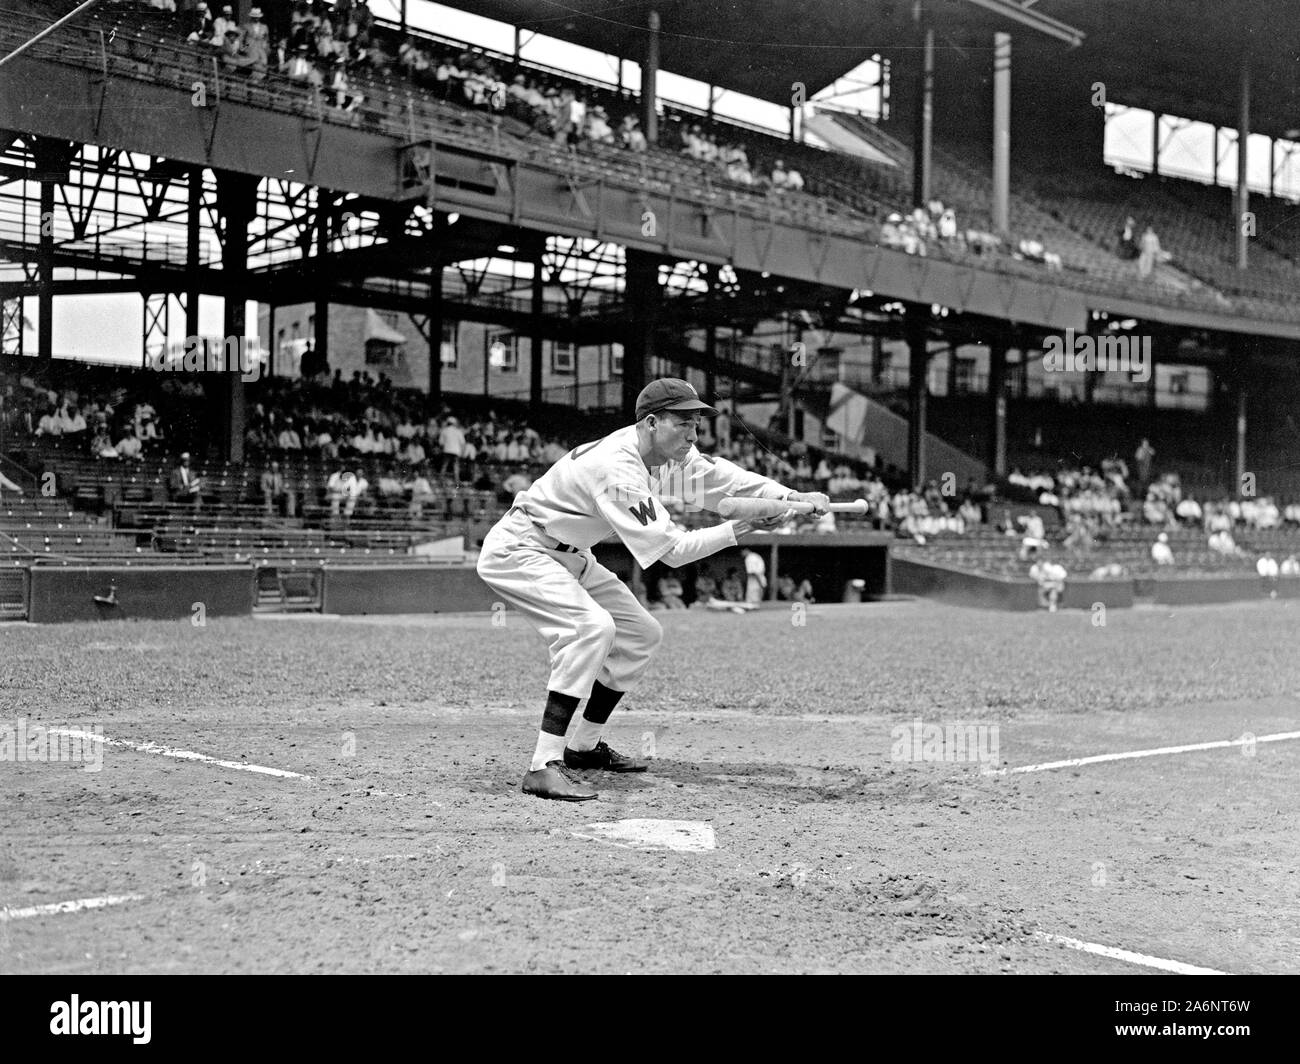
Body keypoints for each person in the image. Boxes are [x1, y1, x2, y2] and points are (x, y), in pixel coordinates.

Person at [476, 378, 829, 801]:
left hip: (572, 553)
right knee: (592, 628)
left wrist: (789, 495)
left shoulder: (666, 457)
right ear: (650, 422)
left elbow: (721, 481)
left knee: (642, 634)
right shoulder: (619, 469)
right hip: (522, 547)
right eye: (684, 423)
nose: (694, 434)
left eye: (696, 423)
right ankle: (541, 766)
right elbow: (674, 552)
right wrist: (738, 529)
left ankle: (583, 749)